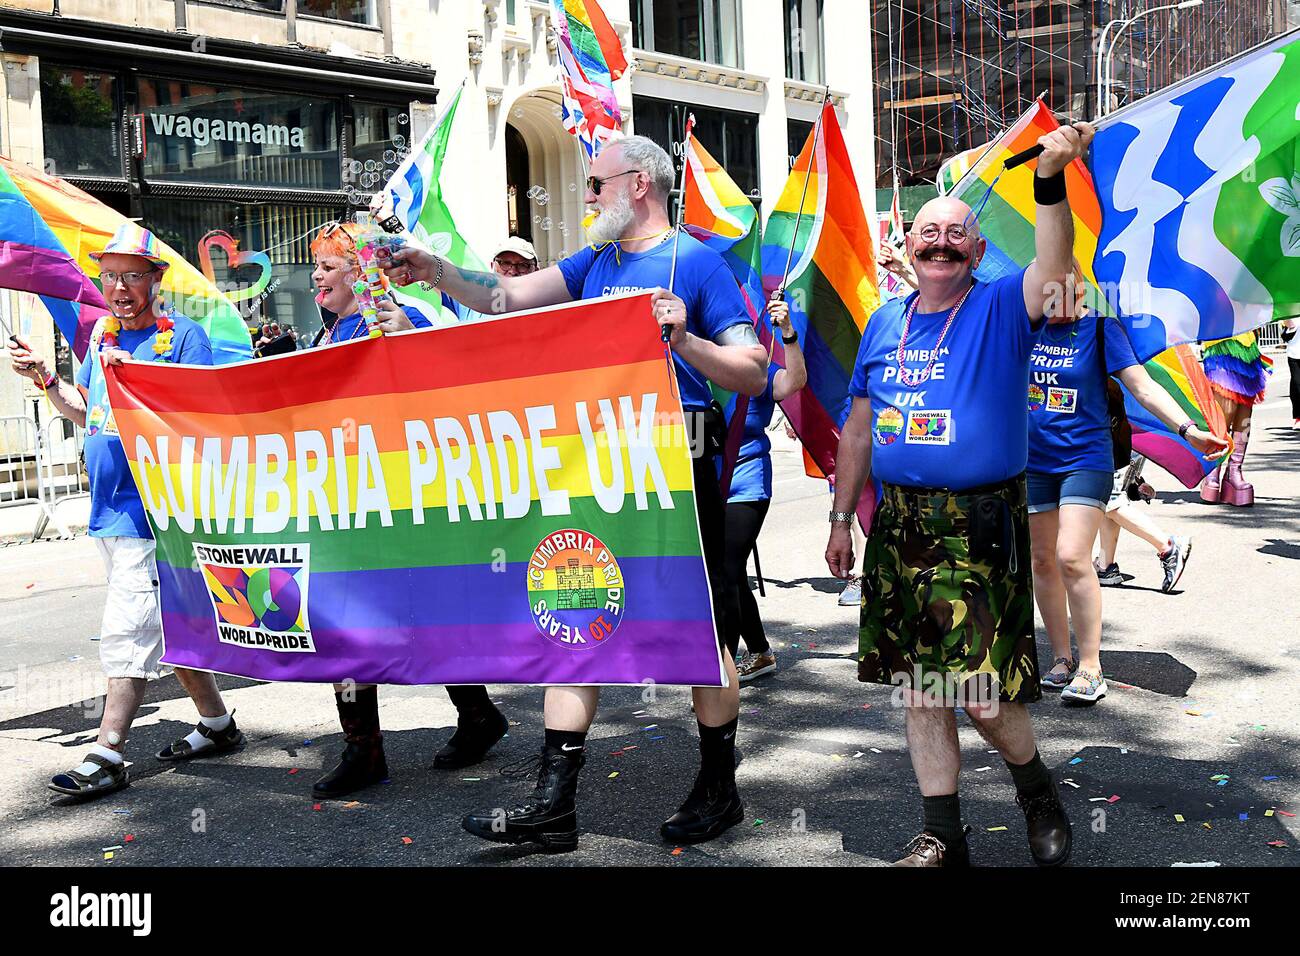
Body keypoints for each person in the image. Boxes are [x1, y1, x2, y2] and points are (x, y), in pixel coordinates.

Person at [382, 135, 769, 851]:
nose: (587, 197)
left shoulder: (701, 264)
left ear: (640, 186)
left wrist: (685, 341)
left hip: (678, 466)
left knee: (704, 632)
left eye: (596, 184)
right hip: (596, 467)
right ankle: (553, 806)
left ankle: (720, 787)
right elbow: (505, 299)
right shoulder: (596, 263)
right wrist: (434, 269)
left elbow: (754, 371)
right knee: (573, 609)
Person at [825, 123, 1095, 868]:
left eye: (956, 233)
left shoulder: (1006, 304)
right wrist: (842, 518)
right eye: (927, 232)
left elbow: (1055, 264)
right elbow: (857, 430)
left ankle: (1035, 788)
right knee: (918, 688)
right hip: (900, 524)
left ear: (977, 252)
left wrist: (1049, 178)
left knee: (978, 693)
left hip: (979, 525)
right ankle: (942, 832)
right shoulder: (885, 321)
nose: (940, 242)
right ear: (909, 248)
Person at [6, 224, 244, 798]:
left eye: (131, 276)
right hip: (108, 512)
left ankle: (108, 752)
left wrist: (140, 376)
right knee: (165, 627)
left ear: (155, 281)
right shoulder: (100, 339)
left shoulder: (183, 336)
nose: (118, 287)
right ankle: (217, 725)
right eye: (109, 276)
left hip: (156, 513)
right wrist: (44, 377)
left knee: (128, 628)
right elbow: (82, 410)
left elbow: (199, 415)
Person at [305, 221, 512, 798]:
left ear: (359, 272)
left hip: (399, 500)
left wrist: (408, 341)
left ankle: (473, 715)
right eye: (316, 265)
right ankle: (366, 749)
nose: (316, 276)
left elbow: (446, 394)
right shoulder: (327, 333)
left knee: (419, 616)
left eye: (327, 266)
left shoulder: (404, 317)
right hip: (344, 501)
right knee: (345, 624)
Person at [1026, 263, 1226, 703]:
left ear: (1080, 289)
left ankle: (1091, 666)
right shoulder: (1025, 327)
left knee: (1072, 556)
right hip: (1032, 462)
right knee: (1041, 562)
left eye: (1066, 286)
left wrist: (1187, 429)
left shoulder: (1101, 330)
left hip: (1085, 459)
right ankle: (1061, 659)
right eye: (1046, 287)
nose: (1056, 296)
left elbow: (1143, 387)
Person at [727, 294, 807, 682]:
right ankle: (759, 652)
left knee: (725, 568)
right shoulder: (700, 361)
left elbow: (794, 381)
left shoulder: (760, 370)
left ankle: (719, 669)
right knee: (727, 572)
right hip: (705, 481)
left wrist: (788, 334)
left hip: (747, 481)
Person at [1094, 455, 1192, 593]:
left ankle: (1167, 545)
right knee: (1109, 498)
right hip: (1124, 440)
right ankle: (1106, 566)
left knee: (1109, 499)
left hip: (1115, 439)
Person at [1200, 331, 1270, 506]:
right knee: (1226, 409)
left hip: (1248, 345)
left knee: (1244, 413)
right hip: (1221, 341)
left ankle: (1234, 471)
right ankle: (1213, 468)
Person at [1282, 319, 1299, 428]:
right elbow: (1286, 336)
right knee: (1297, 385)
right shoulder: (1294, 309)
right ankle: (1298, 417)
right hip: (1295, 354)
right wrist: (1289, 324)